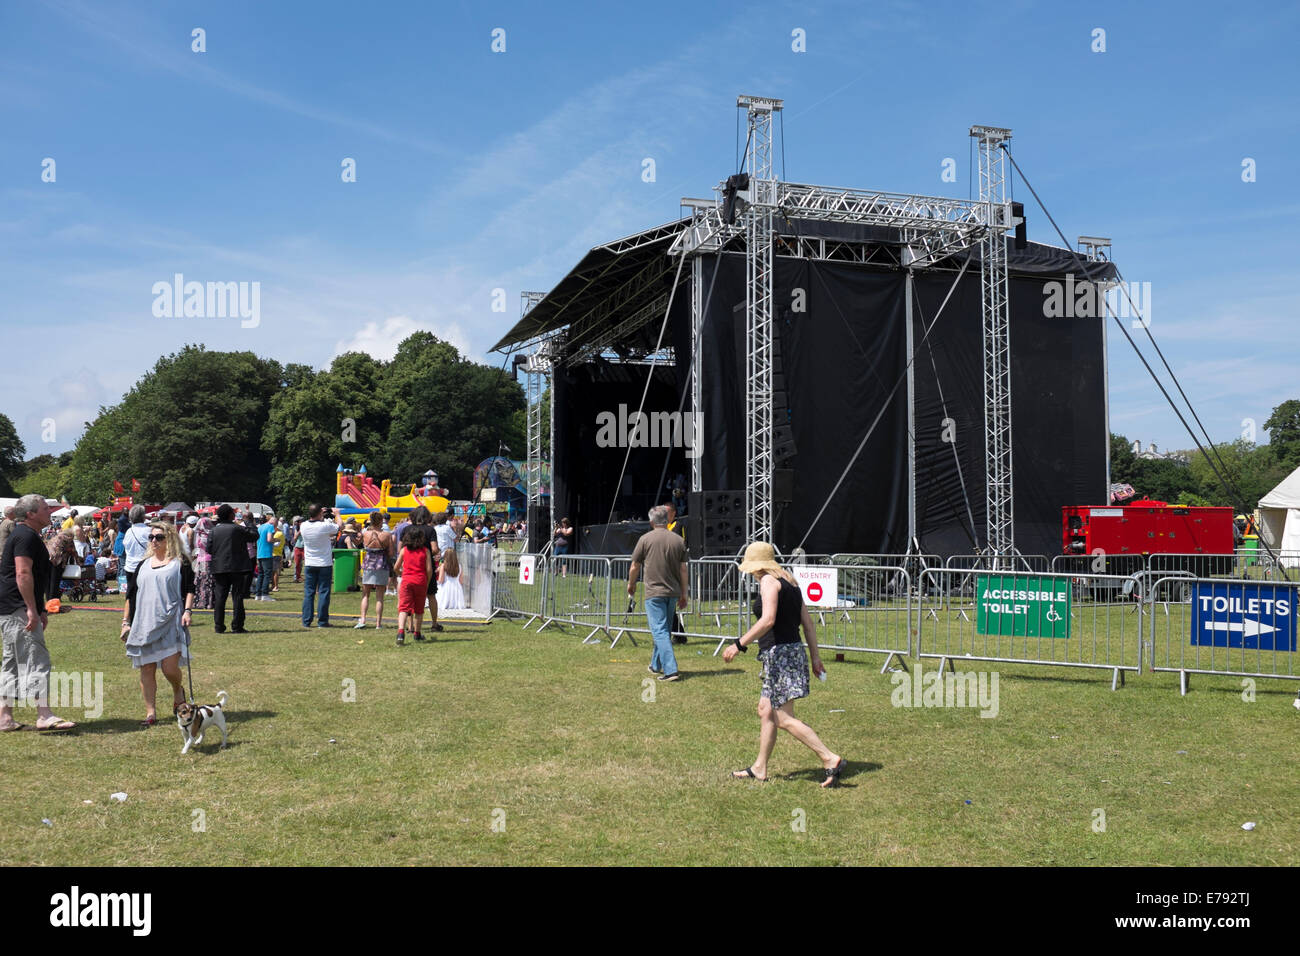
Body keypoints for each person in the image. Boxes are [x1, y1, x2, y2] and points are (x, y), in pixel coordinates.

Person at [722, 542, 845, 787]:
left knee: (783, 717)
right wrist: (815, 657)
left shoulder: (769, 582)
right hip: (792, 652)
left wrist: (739, 644)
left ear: (757, 566)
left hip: (780, 655)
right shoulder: (791, 582)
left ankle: (829, 757)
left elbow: (767, 620)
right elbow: (808, 624)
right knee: (765, 710)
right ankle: (759, 768)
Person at [0, 494, 75, 732]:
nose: (49, 511)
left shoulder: (26, 534)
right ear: (31, 513)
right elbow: (23, 573)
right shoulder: (25, 536)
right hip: (17, 606)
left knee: (12, 662)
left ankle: (4, 717)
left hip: (12, 605)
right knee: (37, 658)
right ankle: (44, 715)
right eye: (45, 508)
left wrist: (40, 608)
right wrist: (31, 609)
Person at [119, 522, 193, 726]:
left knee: (170, 669)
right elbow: (130, 596)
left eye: (158, 537)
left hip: (170, 621)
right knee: (147, 669)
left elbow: (189, 588)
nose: (154, 541)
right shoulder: (142, 565)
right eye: (151, 537)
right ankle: (150, 713)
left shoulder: (180, 562)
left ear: (169, 539)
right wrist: (126, 622)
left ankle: (178, 690)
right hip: (143, 622)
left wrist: (187, 611)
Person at [627, 505, 688, 682]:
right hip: (673, 592)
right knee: (664, 630)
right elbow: (683, 569)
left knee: (660, 631)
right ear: (667, 519)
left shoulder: (645, 539)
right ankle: (656, 665)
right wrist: (684, 594)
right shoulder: (678, 540)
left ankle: (671, 670)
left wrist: (631, 584)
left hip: (654, 592)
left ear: (652, 521)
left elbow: (635, 566)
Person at [208, 504, 257, 634]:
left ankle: (219, 626)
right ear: (231, 515)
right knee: (237, 597)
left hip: (219, 567)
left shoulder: (213, 531)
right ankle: (237, 625)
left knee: (220, 597)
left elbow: (208, 549)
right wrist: (248, 522)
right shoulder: (238, 529)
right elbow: (254, 536)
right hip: (237, 567)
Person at [299, 505, 342, 627]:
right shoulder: (324, 526)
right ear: (320, 513)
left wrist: (320, 514)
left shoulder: (304, 525)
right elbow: (340, 526)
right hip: (324, 563)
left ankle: (306, 620)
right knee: (323, 592)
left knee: (309, 593)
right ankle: (322, 621)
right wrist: (337, 514)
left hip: (310, 563)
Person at [394, 525, 432, 646]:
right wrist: (427, 581)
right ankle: (417, 633)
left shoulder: (404, 550)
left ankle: (400, 632)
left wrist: (401, 573)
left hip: (407, 580)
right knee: (419, 609)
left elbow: (396, 567)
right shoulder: (425, 551)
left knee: (403, 608)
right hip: (420, 580)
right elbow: (429, 569)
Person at [356, 511, 393, 629]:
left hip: (368, 563)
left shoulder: (366, 533)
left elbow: (359, 543)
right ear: (381, 521)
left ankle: (363, 620)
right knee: (380, 596)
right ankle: (378, 623)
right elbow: (391, 553)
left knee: (365, 594)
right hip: (382, 564)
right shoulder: (387, 535)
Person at [120, 505, 152, 624]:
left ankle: (132, 620)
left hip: (130, 567)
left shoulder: (129, 531)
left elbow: (126, 547)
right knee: (146, 595)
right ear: (143, 517)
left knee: (132, 596)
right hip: (144, 566)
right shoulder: (148, 531)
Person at [192, 515, 215, 610]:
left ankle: (199, 602)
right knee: (208, 583)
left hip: (200, 561)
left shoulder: (198, 536)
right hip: (209, 561)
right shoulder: (210, 535)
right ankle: (208, 602)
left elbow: (195, 549)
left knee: (200, 582)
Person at [254, 513, 276, 602]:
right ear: (273, 522)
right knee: (267, 574)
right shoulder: (270, 527)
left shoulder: (260, 527)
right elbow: (269, 539)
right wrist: (276, 540)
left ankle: (258, 594)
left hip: (259, 553)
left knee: (261, 574)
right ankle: (265, 594)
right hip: (267, 554)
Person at [438, 546, 466, 610]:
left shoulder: (443, 566)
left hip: (446, 588)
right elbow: (461, 581)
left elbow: (441, 580)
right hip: (457, 588)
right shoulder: (459, 566)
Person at [270, 519, 285, 592]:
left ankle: (275, 586)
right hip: (277, 554)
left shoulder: (278, 534)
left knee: (275, 571)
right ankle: (273, 586)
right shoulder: (281, 533)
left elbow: (274, 543)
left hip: (275, 554)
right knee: (273, 571)